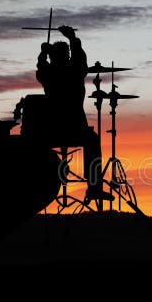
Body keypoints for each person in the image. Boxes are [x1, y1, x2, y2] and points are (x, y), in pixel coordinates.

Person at [35, 25, 113, 201]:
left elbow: (41, 67)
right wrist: (73, 38)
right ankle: (93, 187)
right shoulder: (74, 72)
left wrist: (42, 53)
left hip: (50, 132)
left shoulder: (49, 74)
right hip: (74, 129)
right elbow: (80, 60)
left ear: (52, 57)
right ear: (68, 56)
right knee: (92, 141)